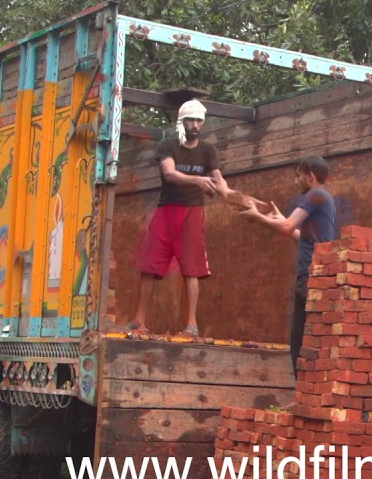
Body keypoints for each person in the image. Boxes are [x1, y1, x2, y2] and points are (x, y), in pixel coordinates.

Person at [130, 99, 231, 336]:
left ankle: (192, 326)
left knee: (192, 269)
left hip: (192, 212)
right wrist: (199, 180)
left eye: (199, 120)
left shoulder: (207, 150)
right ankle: (139, 321)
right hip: (166, 211)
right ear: (181, 121)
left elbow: (219, 179)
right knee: (149, 265)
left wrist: (229, 193)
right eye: (191, 120)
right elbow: (169, 173)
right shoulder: (167, 145)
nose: (195, 125)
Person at [240, 155, 337, 375]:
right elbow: (298, 234)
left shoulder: (315, 195)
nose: (295, 181)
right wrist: (279, 218)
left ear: (310, 176)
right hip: (316, 276)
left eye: (298, 176)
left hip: (310, 276)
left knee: (300, 342)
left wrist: (258, 217)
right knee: (306, 338)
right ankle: (306, 393)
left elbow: (286, 228)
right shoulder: (324, 198)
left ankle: (304, 391)